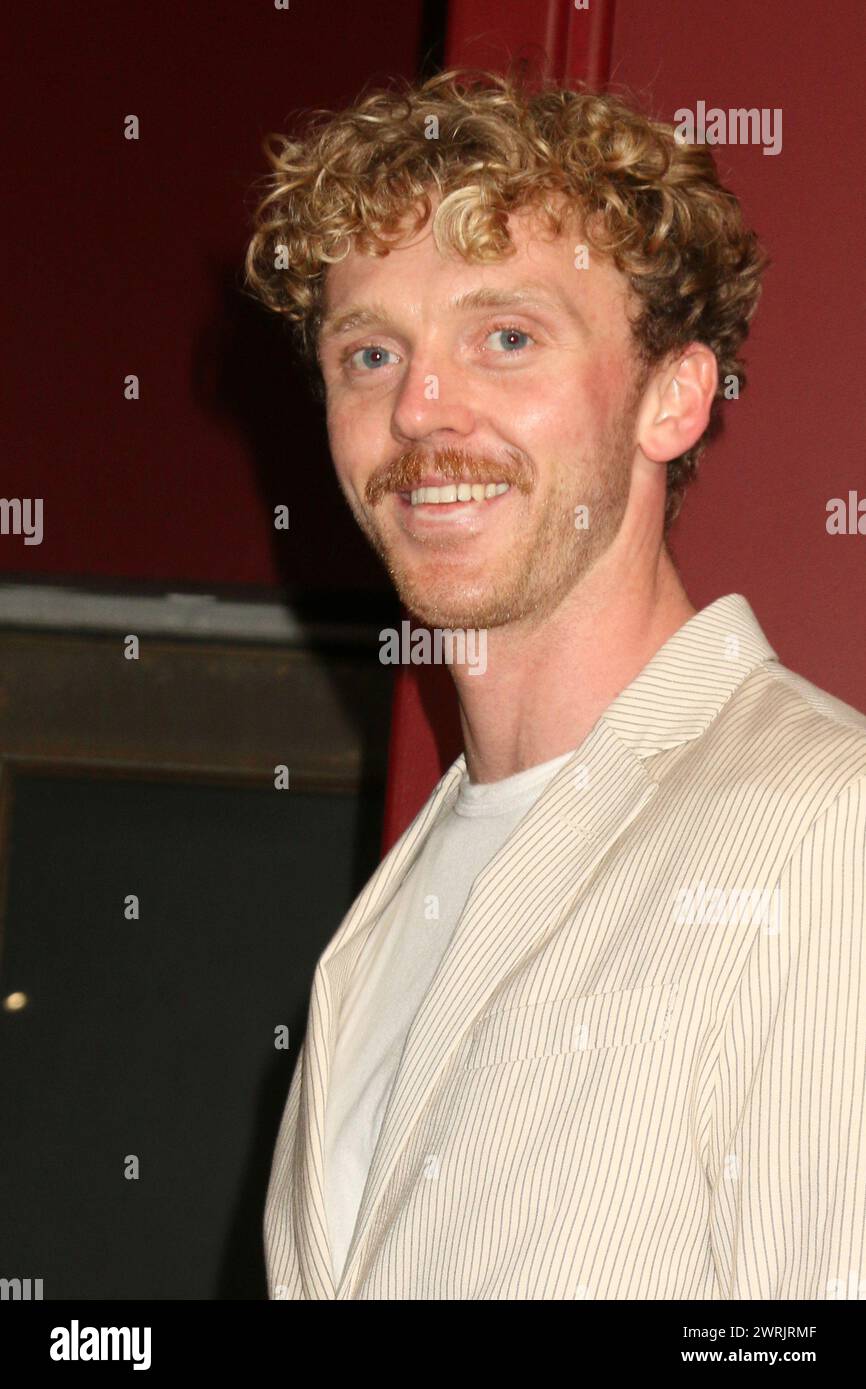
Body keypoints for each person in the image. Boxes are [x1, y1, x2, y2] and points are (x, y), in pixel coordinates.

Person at [244, 67, 866, 1300]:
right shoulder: (387, 922)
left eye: (506, 337)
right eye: (369, 352)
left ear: (672, 398)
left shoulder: (821, 831)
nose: (420, 409)